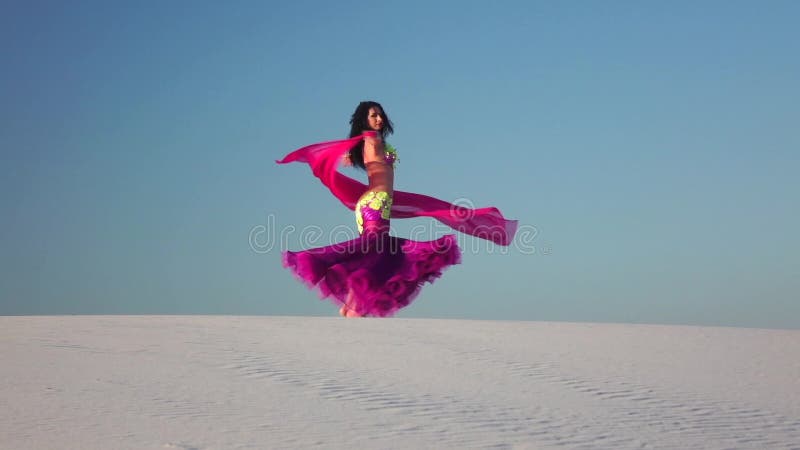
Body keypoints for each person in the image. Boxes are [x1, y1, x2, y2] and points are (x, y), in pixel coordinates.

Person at [277, 101, 517, 317]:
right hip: (375, 202)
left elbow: (362, 157)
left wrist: (352, 154)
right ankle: (325, 270)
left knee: (375, 253)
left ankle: (350, 306)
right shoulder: (371, 139)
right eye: (373, 115)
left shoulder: (371, 141)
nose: (379, 119)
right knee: (374, 249)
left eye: (380, 114)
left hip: (377, 201)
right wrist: (352, 152)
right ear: (364, 120)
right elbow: (365, 155)